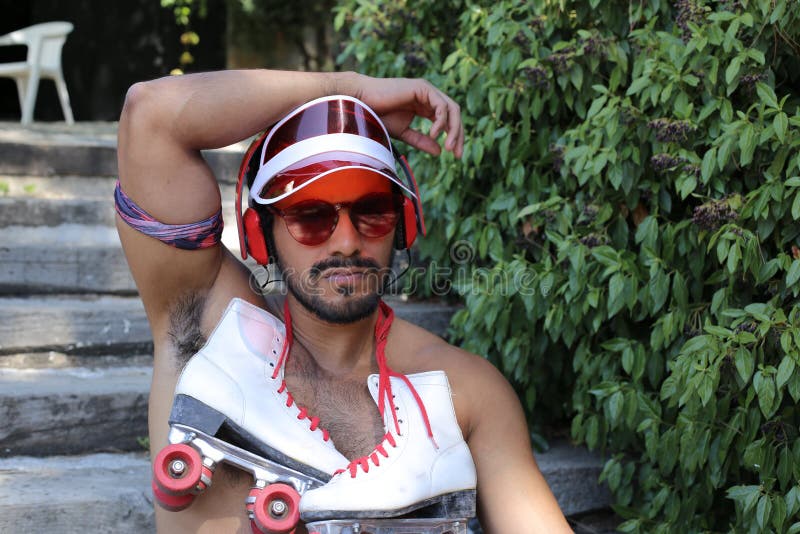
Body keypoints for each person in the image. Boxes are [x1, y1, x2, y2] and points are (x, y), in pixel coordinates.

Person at [116, 69, 570, 533]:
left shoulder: (465, 394)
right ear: (260, 234)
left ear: (404, 223)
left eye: (372, 212)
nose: (348, 243)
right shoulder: (212, 336)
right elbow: (152, 114)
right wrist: (346, 89)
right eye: (311, 216)